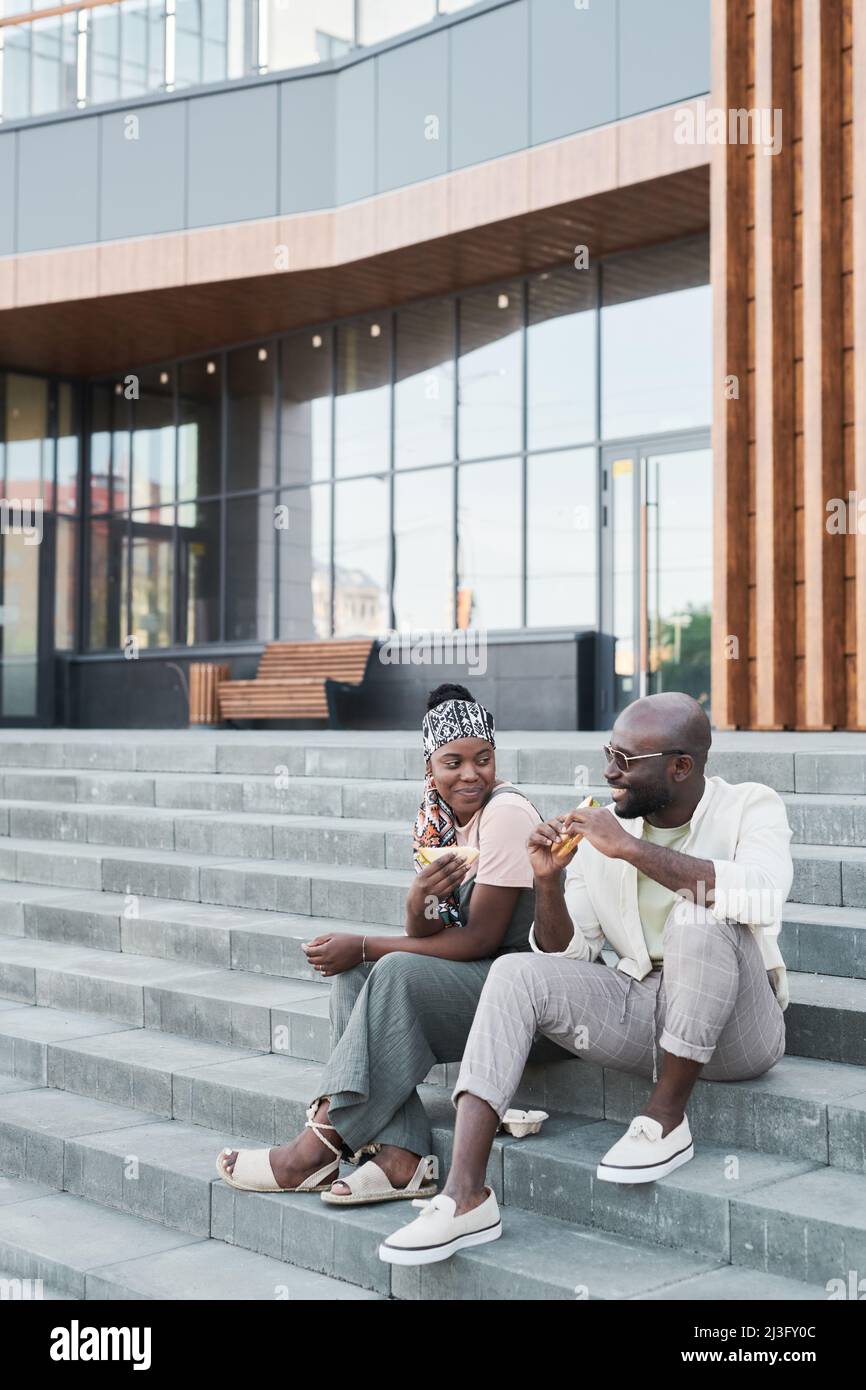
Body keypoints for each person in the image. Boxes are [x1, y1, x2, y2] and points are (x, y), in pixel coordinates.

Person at [378, 691, 792, 1265]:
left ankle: (665, 1118)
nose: (609, 770)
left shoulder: (750, 805)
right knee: (517, 972)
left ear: (680, 766)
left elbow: (763, 893)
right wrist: (548, 884)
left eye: (626, 759)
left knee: (700, 913)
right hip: (645, 1005)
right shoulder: (605, 827)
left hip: (738, 1031)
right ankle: (464, 1194)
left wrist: (630, 850)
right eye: (608, 752)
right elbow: (569, 957)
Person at [216, 682, 542, 1203]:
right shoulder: (437, 822)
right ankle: (402, 1156)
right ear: (429, 767)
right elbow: (431, 932)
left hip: (522, 993)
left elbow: (480, 939)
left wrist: (367, 944)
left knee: (387, 969)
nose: (470, 774)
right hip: (477, 981)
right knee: (355, 978)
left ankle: (317, 1145)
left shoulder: (505, 813)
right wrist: (418, 899)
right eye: (452, 761)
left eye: (483, 758)